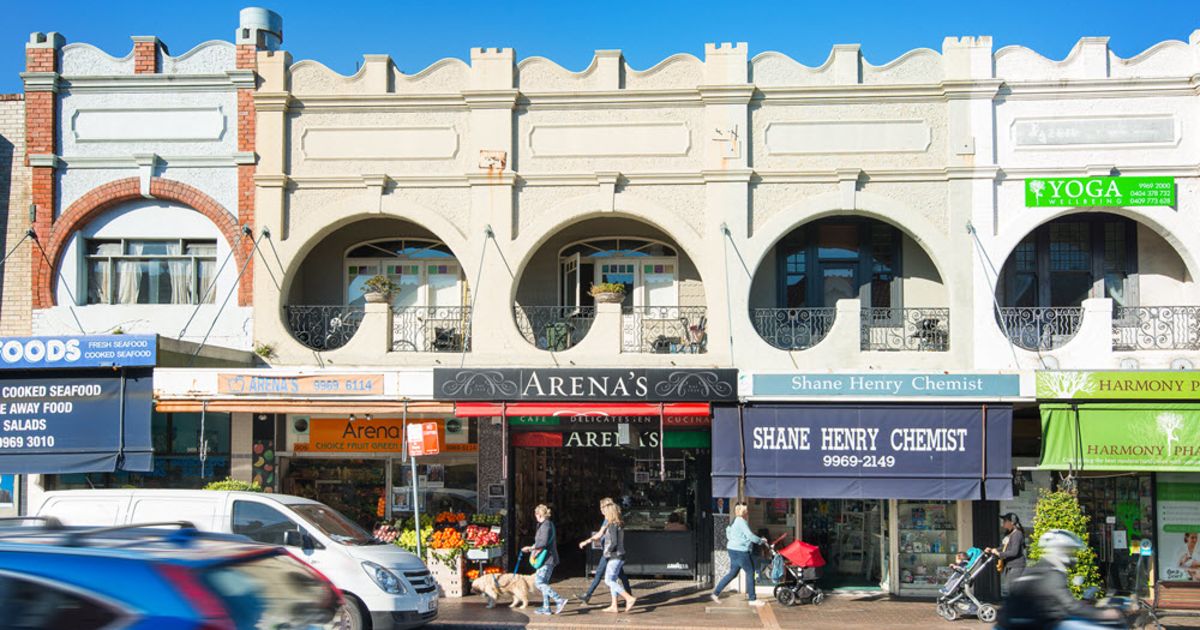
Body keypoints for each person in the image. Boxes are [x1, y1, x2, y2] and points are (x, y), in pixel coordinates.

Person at [996, 529, 1121, 629]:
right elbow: (1071, 607)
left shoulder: (1036, 568)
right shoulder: (1051, 574)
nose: (1072, 556)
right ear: (1060, 550)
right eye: (1069, 551)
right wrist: (1103, 613)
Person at [711, 503, 768, 607]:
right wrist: (761, 541)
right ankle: (752, 599)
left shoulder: (734, 520)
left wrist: (735, 540)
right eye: (746, 510)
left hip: (732, 549)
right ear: (743, 512)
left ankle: (715, 593)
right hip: (741, 551)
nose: (747, 512)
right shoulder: (741, 521)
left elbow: (728, 531)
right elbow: (750, 535)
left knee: (733, 573)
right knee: (750, 572)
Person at [578, 498, 633, 605]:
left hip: (610, 553)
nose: (601, 510)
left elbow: (605, 537)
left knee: (606, 577)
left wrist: (587, 542)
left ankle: (628, 597)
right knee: (618, 576)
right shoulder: (614, 520)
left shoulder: (610, 521)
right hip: (612, 553)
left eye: (602, 507)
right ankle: (622, 599)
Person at [521, 504, 568, 615]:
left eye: (535, 514)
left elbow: (543, 542)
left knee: (539, 582)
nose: (535, 516)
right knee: (544, 583)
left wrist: (530, 548)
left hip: (547, 559)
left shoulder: (546, 526)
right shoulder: (546, 524)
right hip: (547, 558)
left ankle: (559, 600)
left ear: (539, 514)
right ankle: (546, 607)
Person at [598, 502, 637, 613]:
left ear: (610, 512)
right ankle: (614, 605)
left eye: (606, 511)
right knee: (613, 580)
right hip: (620, 556)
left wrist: (608, 550)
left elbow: (614, 542)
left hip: (615, 556)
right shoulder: (618, 524)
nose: (604, 513)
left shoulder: (612, 525)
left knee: (608, 580)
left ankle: (628, 598)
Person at [986, 512, 1027, 596]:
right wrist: (992, 550)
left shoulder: (1017, 534)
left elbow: (1014, 552)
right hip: (1009, 566)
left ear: (1012, 522)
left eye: (1005, 521)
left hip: (1016, 566)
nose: (1003, 522)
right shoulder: (1009, 534)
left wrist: (999, 554)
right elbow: (1003, 547)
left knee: (1012, 590)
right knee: (1009, 589)